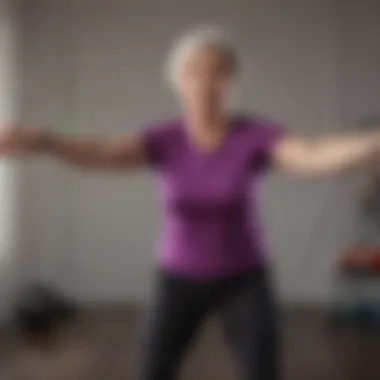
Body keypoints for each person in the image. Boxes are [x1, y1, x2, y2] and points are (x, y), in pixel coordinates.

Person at [1, 26, 379, 380]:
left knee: (263, 371)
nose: (205, 83)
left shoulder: (255, 136)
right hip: (178, 277)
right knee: (153, 370)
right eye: (194, 72)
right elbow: (102, 151)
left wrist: (374, 142)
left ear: (231, 82)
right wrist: (45, 140)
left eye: (218, 72)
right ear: (178, 82)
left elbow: (314, 154)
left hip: (244, 279)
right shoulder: (164, 138)